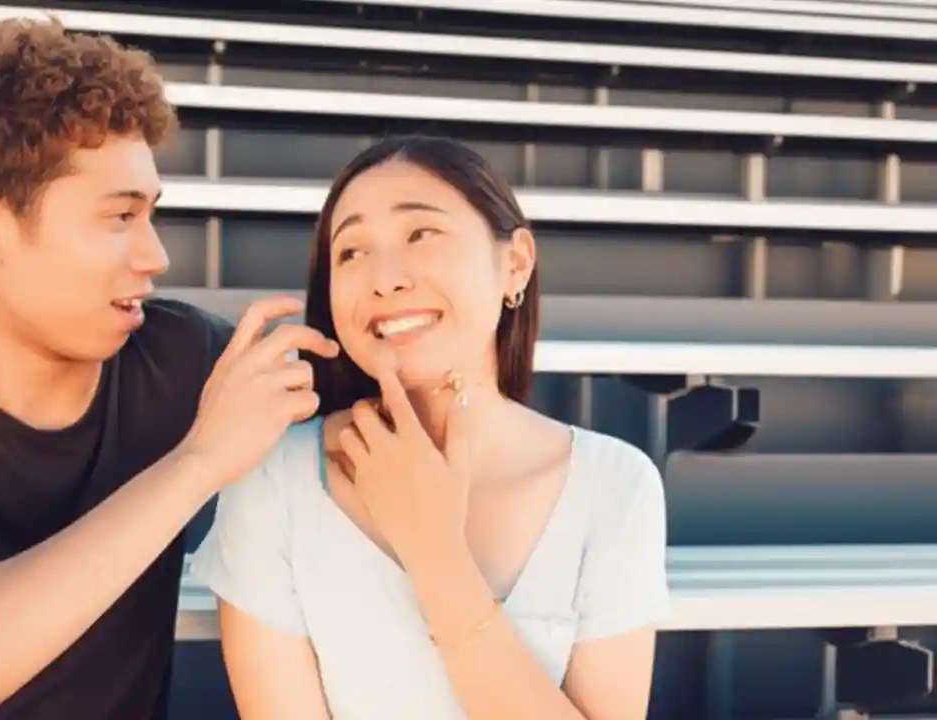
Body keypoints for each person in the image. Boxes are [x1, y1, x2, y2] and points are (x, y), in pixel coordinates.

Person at [0, 18, 338, 720]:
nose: (156, 257)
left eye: (151, 215)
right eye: (119, 218)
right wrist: (199, 462)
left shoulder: (183, 356)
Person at [191, 135, 673, 719]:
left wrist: (435, 554)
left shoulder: (614, 484)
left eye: (421, 234)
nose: (384, 278)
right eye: (351, 253)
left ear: (515, 263)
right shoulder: (274, 476)